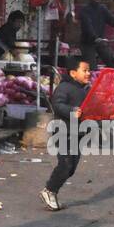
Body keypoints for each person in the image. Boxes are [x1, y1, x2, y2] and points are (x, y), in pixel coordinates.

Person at [40, 57, 92, 211]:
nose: (88, 73)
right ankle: (49, 190)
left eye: (89, 70)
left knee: (71, 168)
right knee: (65, 164)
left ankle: (51, 190)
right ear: (73, 73)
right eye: (85, 70)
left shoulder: (85, 89)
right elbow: (57, 104)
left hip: (78, 133)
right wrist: (71, 111)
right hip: (63, 133)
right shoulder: (64, 87)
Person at [77, 0, 114, 68]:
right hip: (88, 42)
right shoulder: (85, 10)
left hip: (100, 41)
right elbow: (88, 26)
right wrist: (94, 37)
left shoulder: (102, 8)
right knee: (91, 67)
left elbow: (112, 19)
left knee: (112, 61)